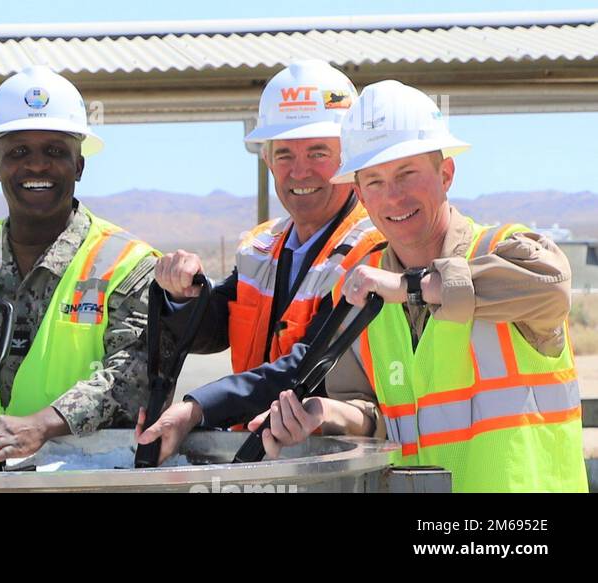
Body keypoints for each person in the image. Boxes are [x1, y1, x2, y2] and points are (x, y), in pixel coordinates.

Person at [251, 80, 586, 492]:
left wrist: (409, 286)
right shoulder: (361, 289)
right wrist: (326, 415)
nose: (393, 197)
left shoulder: (502, 252)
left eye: (407, 174)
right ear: (358, 193)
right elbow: (373, 414)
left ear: (445, 173)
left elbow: (553, 285)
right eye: (374, 181)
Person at [0, 66, 158, 467]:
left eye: (55, 152)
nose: (36, 166)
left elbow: (137, 380)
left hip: (93, 477)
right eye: (18, 152)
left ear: (79, 166)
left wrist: (40, 426)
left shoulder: (130, 264)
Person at [135, 60, 383, 463]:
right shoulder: (262, 246)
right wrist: (184, 293)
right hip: (255, 458)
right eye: (284, 154)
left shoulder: (371, 250)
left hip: (330, 465)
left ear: (349, 158)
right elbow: (216, 328)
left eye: (318, 152)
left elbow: (307, 362)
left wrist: (199, 407)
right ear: (267, 160)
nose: (299, 171)